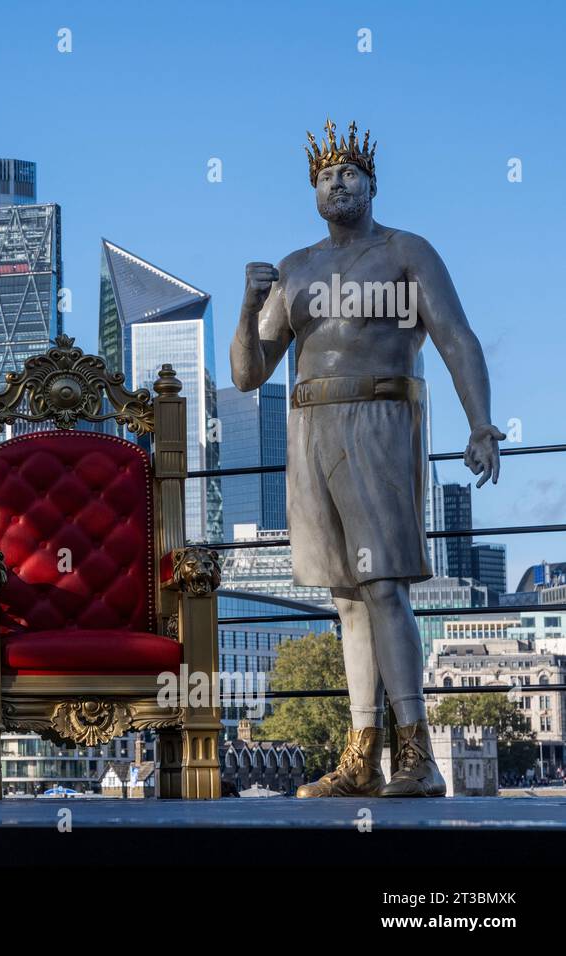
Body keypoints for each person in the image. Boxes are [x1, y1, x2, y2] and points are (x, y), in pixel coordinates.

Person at [230, 120, 503, 797]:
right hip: (309, 426)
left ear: (374, 184)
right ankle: (361, 757)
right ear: (312, 194)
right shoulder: (294, 269)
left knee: (383, 586)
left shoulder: (407, 251)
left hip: (381, 417)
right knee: (345, 598)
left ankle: (418, 754)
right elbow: (246, 374)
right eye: (325, 176)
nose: (337, 182)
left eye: (349, 172)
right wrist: (247, 306)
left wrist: (482, 424)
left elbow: (456, 338)